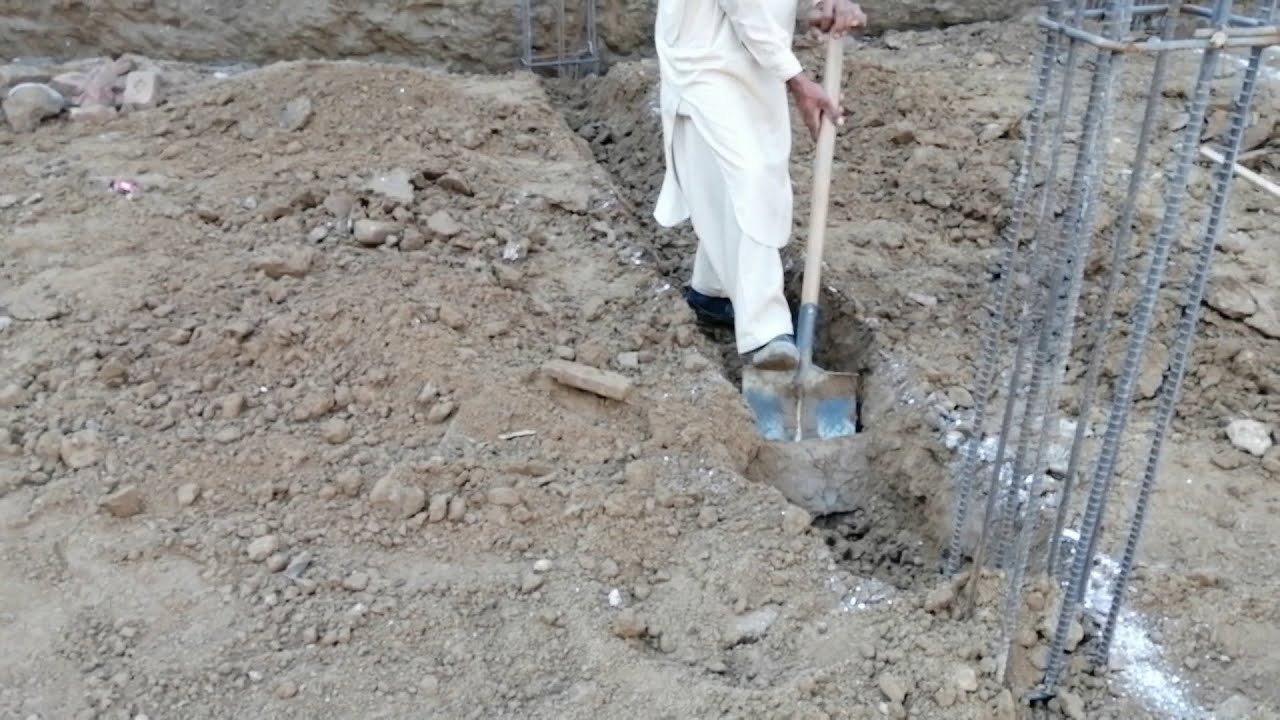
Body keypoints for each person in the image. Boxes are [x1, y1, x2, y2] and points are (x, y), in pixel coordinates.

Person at [653, 0, 866, 370]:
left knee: (750, 172)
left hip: (750, 55)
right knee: (749, 177)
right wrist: (796, 79)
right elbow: (746, 8)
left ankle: (713, 294)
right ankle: (768, 333)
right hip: (703, 57)